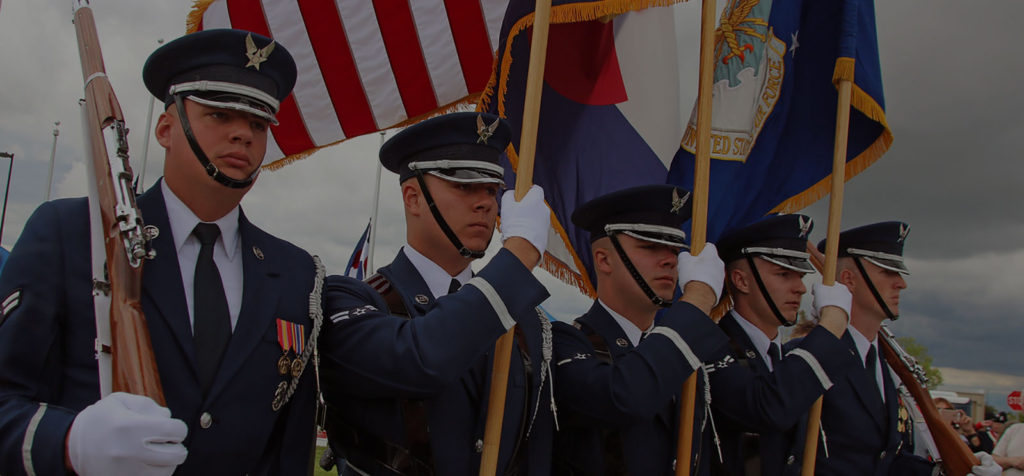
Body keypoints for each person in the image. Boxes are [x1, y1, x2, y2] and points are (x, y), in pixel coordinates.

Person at [0, 29, 321, 475]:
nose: (242, 135)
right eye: (219, 115)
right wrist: (69, 442)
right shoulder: (71, 234)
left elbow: (287, 445)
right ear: (167, 129)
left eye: (258, 124)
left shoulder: (295, 272)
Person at [318, 112, 554, 475]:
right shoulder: (352, 300)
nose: (485, 203)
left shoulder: (525, 323)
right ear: (413, 198)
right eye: (464, 186)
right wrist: (519, 256)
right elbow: (422, 358)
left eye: (492, 189)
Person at [550, 184, 730, 475]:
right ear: (604, 259)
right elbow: (625, 397)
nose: (670, 259)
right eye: (650, 246)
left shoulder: (686, 350)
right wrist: (697, 299)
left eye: (674, 249)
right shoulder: (569, 341)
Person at [812, 222, 1001, 476]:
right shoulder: (813, 357)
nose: (901, 283)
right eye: (888, 272)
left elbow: (888, 459)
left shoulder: (885, 364)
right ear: (848, 279)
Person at [708, 214, 858, 476]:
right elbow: (767, 409)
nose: (800, 288)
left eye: (800, 275)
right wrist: (832, 323)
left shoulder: (784, 357)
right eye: (784, 274)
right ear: (741, 280)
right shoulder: (713, 345)